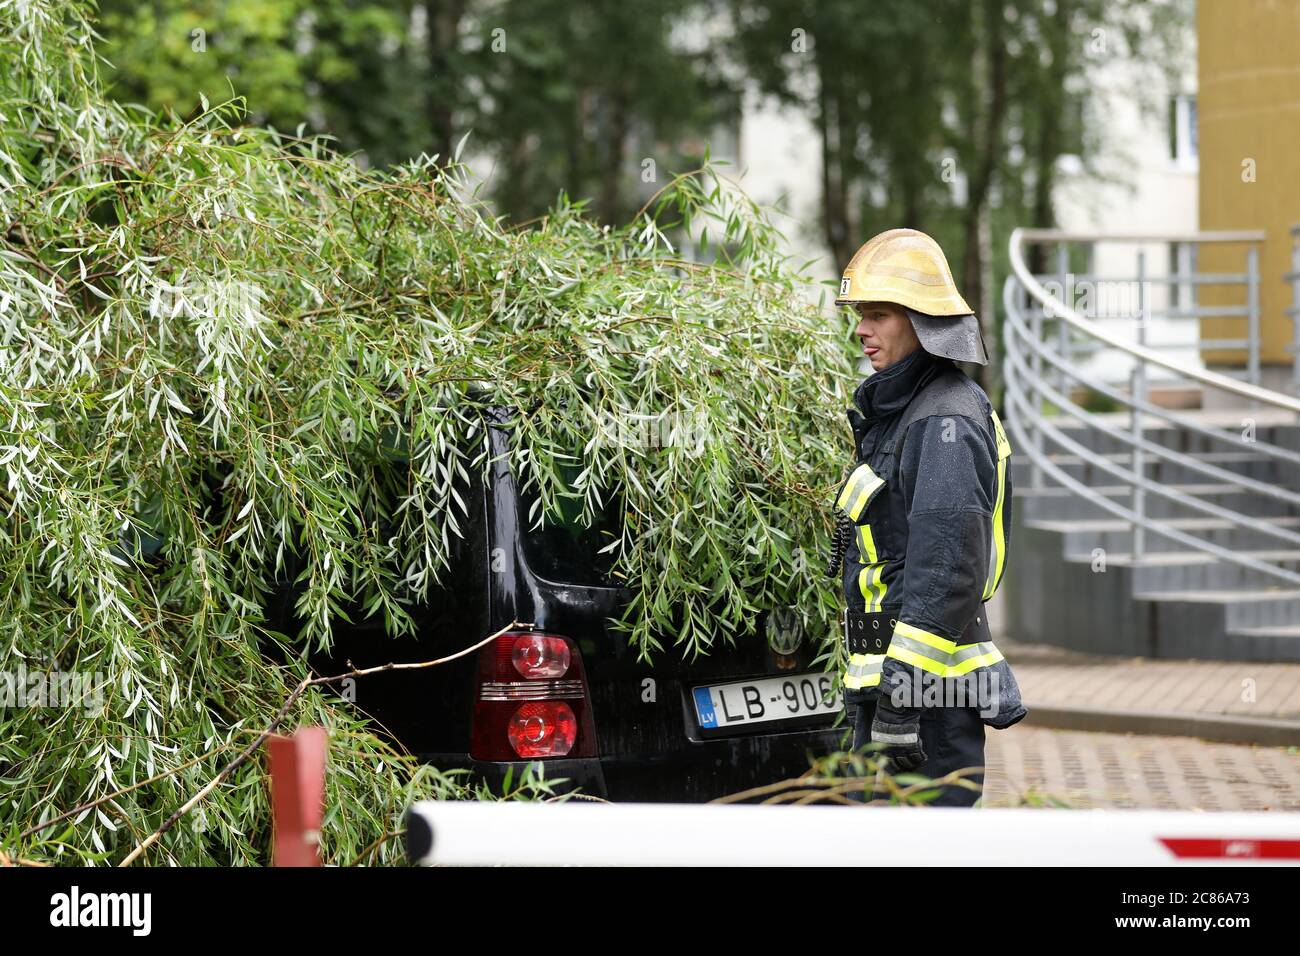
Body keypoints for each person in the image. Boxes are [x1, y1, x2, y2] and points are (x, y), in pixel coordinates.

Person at [826, 228, 1027, 807]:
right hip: (899, 701)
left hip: (923, 713)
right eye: (861, 314)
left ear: (924, 323)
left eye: (880, 314)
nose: (862, 329)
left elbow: (946, 578)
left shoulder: (944, 420)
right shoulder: (906, 414)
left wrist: (899, 703)